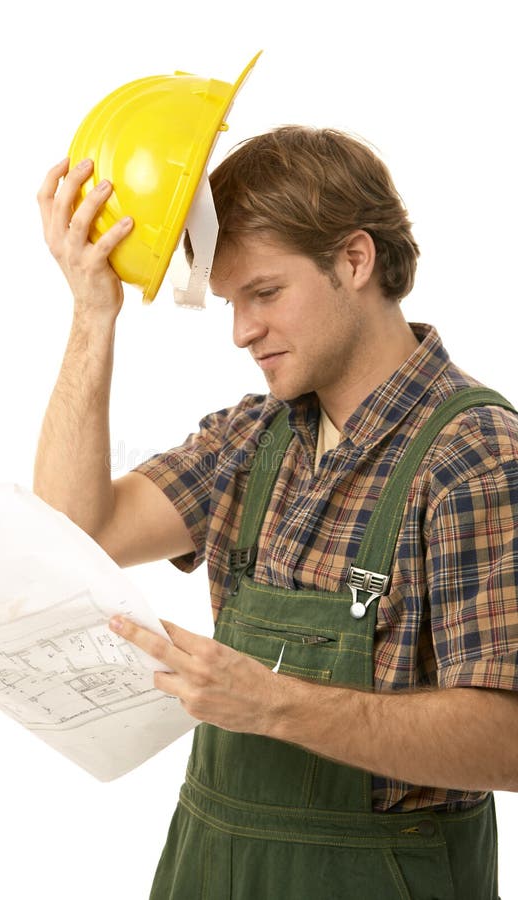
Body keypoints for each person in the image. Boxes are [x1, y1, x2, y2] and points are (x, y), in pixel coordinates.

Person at [35, 127, 518, 898]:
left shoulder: (474, 456)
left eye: (265, 293)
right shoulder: (252, 439)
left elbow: (510, 742)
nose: (241, 331)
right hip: (209, 869)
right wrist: (93, 313)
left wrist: (275, 704)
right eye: (231, 302)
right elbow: (71, 533)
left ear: (354, 261)